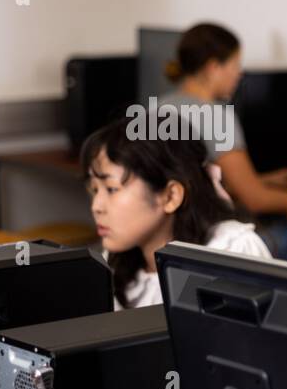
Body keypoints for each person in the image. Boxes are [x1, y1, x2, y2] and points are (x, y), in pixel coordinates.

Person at [82, 118, 269, 309]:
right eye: (95, 190)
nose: (96, 206)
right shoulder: (115, 263)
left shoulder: (232, 251)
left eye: (111, 189)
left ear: (171, 196)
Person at [161, 22, 287, 260]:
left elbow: (193, 182)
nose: (239, 73)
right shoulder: (216, 116)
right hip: (211, 241)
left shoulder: (160, 107)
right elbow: (256, 200)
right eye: (235, 65)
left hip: (172, 238)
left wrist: (263, 179)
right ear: (214, 67)